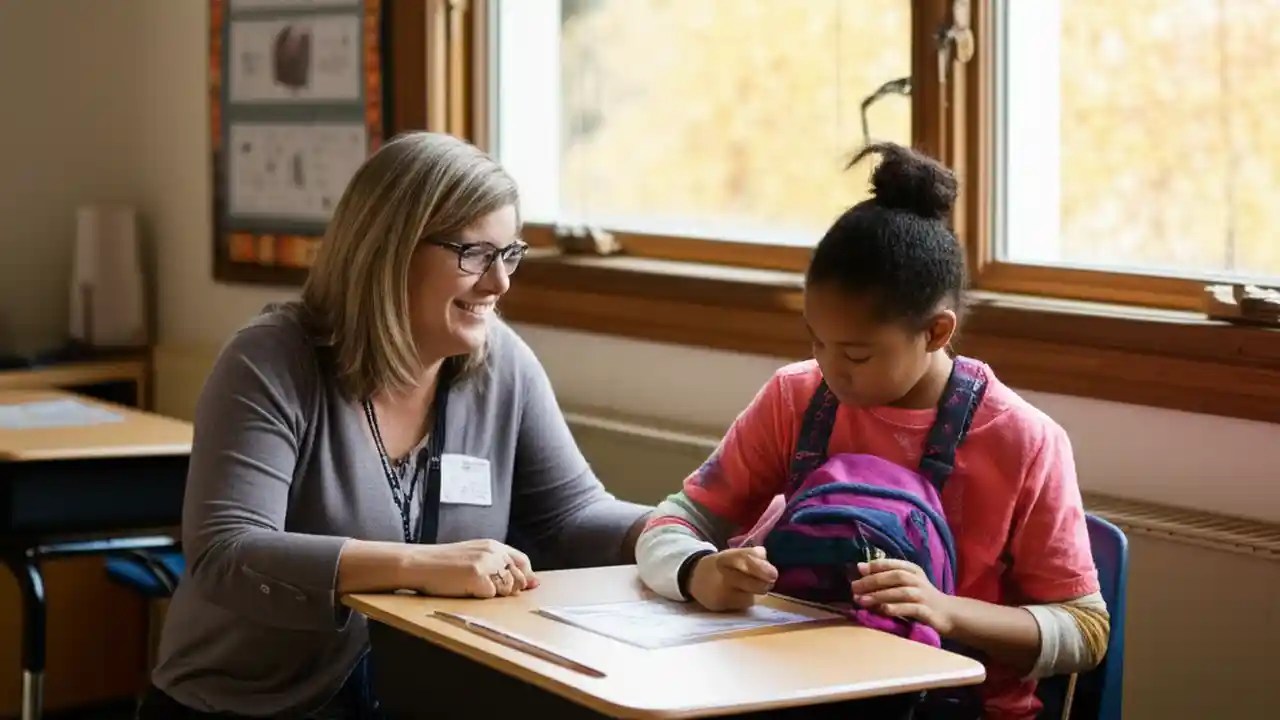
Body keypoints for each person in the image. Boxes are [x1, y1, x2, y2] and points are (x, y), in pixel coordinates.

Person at [139, 132, 652, 719]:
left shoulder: (502, 364)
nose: (500, 283)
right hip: (243, 706)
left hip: (413, 697)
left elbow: (571, 514)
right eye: (474, 254)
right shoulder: (271, 360)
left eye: (509, 254)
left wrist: (679, 539)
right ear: (391, 251)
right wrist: (417, 566)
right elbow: (225, 552)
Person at [635, 143, 1108, 719]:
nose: (830, 369)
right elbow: (673, 522)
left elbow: (1085, 631)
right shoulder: (795, 398)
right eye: (816, 341)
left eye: (856, 355)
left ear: (936, 332)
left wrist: (945, 610)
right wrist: (696, 571)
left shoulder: (1023, 441)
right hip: (792, 687)